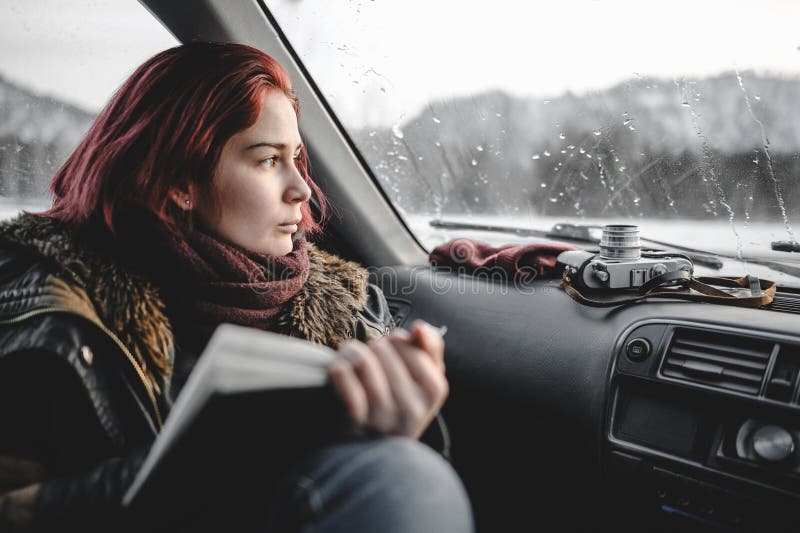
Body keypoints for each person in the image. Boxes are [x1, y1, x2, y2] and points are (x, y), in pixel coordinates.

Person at [0, 42, 473, 532]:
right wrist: (221, 466)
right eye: (269, 160)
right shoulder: (53, 319)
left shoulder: (347, 306)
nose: (302, 188)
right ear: (181, 181)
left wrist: (404, 426)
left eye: (297, 158)